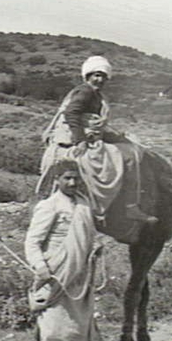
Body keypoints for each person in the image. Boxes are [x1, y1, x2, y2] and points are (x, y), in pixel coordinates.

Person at [39, 56, 158, 225]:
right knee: (129, 158)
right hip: (76, 140)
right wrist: (80, 140)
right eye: (96, 75)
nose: (99, 79)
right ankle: (129, 207)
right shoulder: (85, 92)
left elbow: (94, 123)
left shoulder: (96, 95)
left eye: (103, 76)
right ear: (87, 76)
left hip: (89, 136)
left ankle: (126, 206)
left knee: (129, 149)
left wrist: (118, 136)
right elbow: (71, 113)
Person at [24, 159, 103, 341]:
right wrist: (40, 267)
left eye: (76, 178)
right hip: (56, 272)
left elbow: (87, 232)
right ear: (56, 180)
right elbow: (32, 241)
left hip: (78, 272)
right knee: (54, 325)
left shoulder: (83, 202)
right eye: (66, 178)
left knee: (73, 321)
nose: (72, 182)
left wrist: (95, 245)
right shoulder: (49, 206)